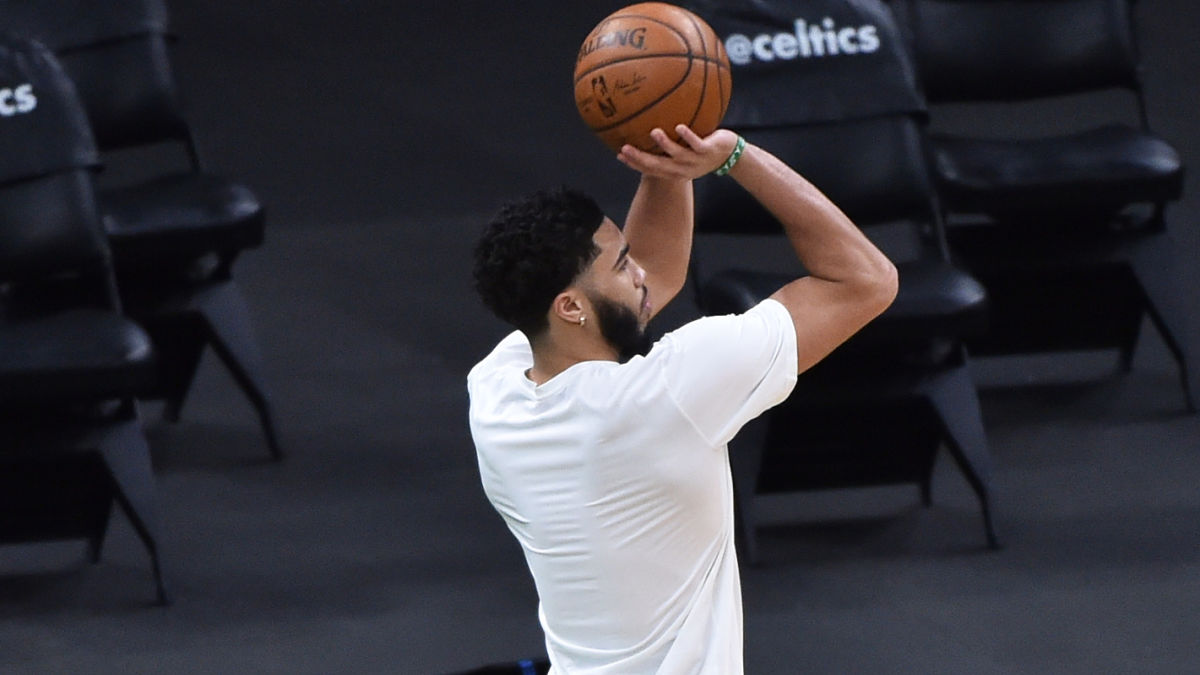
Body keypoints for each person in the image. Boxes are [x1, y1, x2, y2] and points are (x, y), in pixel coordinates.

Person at [468, 126, 898, 674]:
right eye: (621, 264)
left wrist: (668, 165)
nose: (638, 271)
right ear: (571, 307)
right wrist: (735, 158)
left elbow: (655, 272)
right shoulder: (670, 394)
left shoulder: (496, 390)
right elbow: (865, 280)